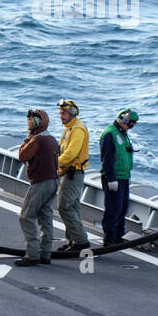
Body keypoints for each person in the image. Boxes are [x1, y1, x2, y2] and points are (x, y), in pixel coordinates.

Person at [14, 109, 60, 266]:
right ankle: (45, 253)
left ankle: (32, 254)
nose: (28, 121)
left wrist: (28, 138)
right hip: (54, 181)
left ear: (37, 123)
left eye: (31, 119)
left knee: (26, 216)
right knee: (45, 216)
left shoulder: (37, 140)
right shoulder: (52, 139)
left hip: (41, 182)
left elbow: (22, 156)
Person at [54, 99, 91, 252]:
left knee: (64, 207)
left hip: (73, 173)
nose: (61, 116)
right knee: (72, 208)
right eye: (60, 113)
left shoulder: (77, 129)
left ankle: (81, 242)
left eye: (64, 113)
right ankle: (73, 242)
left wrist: (53, 164)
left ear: (72, 113)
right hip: (68, 172)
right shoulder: (70, 127)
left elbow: (70, 154)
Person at [99, 108, 138, 245]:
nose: (130, 127)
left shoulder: (122, 133)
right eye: (129, 124)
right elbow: (107, 158)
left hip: (124, 176)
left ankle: (117, 235)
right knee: (113, 208)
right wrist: (111, 178)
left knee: (122, 208)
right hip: (114, 177)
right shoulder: (110, 134)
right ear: (123, 120)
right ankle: (109, 237)